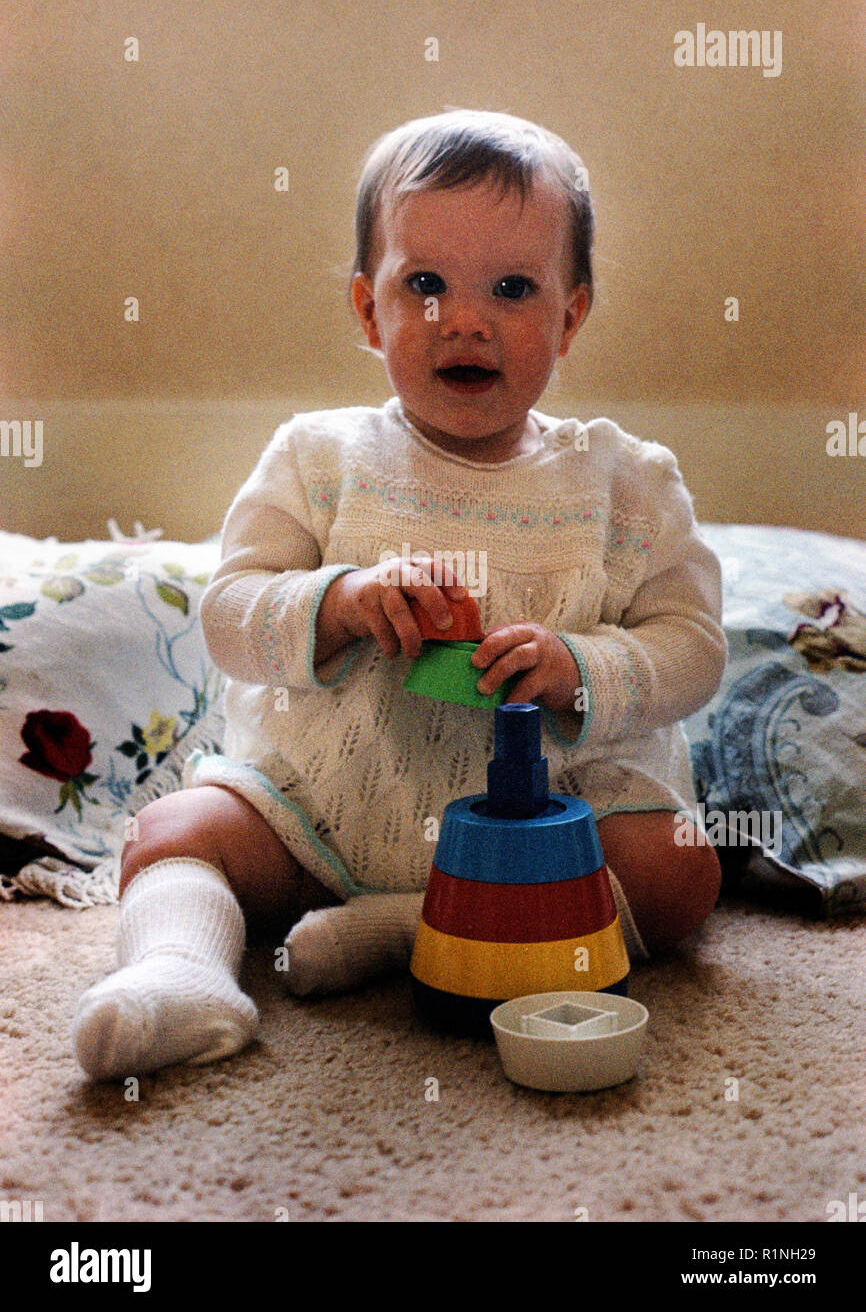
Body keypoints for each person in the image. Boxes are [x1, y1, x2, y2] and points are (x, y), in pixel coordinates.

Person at [73, 109, 726, 1081]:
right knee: (169, 832)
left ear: (570, 314)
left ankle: (407, 928)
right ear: (367, 311)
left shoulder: (623, 483)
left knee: (678, 871)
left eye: (510, 288)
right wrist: (336, 603)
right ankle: (183, 973)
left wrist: (578, 665)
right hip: (321, 816)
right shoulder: (318, 458)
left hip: (546, 829)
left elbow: (692, 646)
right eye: (423, 284)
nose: (461, 320)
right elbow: (228, 612)